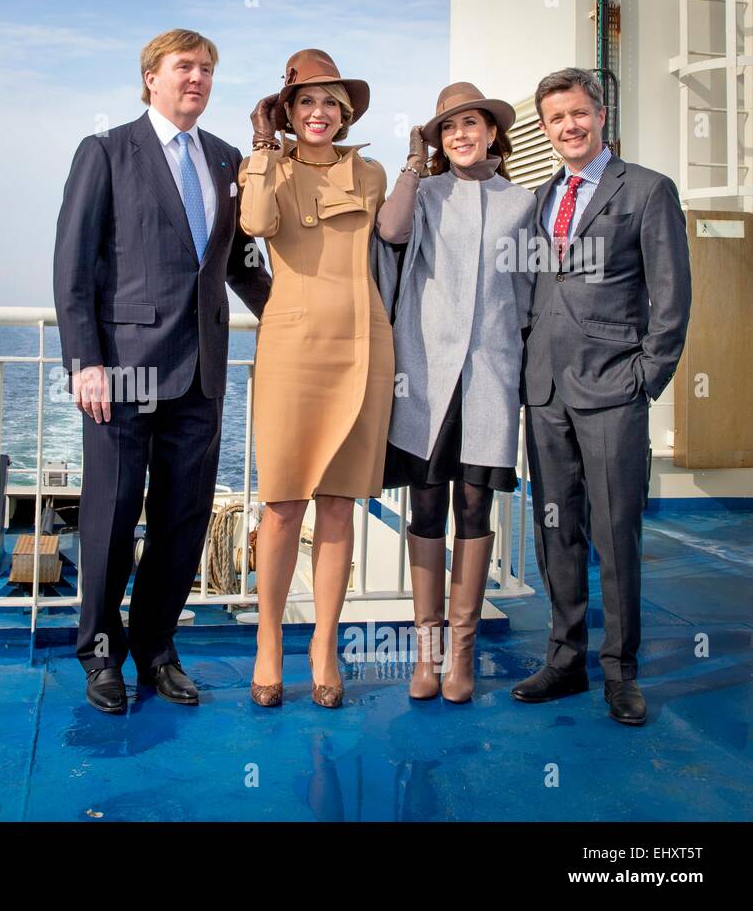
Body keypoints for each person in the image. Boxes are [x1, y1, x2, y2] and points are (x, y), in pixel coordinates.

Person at [52, 29, 272, 715]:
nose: (197, 78)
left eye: (207, 68)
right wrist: (84, 361)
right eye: (184, 67)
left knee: (182, 520)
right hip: (122, 373)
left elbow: (236, 265)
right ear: (151, 76)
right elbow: (74, 265)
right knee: (112, 518)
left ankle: (156, 650)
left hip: (202, 373)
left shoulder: (226, 159)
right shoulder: (107, 151)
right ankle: (98, 651)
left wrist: (298, 317)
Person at [511, 67, 691, 726]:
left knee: (615, 534)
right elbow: (533, 290)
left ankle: (621, 670)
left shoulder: (646, 191)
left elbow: (671, 300)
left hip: (614, 387)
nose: (570, 126)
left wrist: (646, 377)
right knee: (554, 531)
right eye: (557, 118)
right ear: (546, 128)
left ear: (601, 114)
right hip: (546, 390)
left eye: (579, 113)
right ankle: (565, 662)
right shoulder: (539, 199)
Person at [239, 49, 393, 708]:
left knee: (339, 503)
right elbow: (252, 225)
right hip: (291, 348)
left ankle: (324, 643)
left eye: (330, 102)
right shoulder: (269, 168)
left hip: (363, 344)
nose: (319, 113)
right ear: (286, 112)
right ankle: (268, 641)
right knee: (281, 505)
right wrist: (259, 150)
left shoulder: (372, 172)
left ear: (345, 110)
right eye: (305, 102)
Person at [375, 82, 536, 702]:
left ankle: (461, 656)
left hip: (492, 376)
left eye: (472, 123)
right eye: (449, 128)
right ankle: (428, 653)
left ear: (493, 132)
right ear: (437, 140)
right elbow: (390, 232)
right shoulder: (426, 192)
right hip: (425, 376)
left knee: (475, 508)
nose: (462, 135)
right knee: (426, 508)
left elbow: (529, 289)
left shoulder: (524, 202)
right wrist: (414, 164)